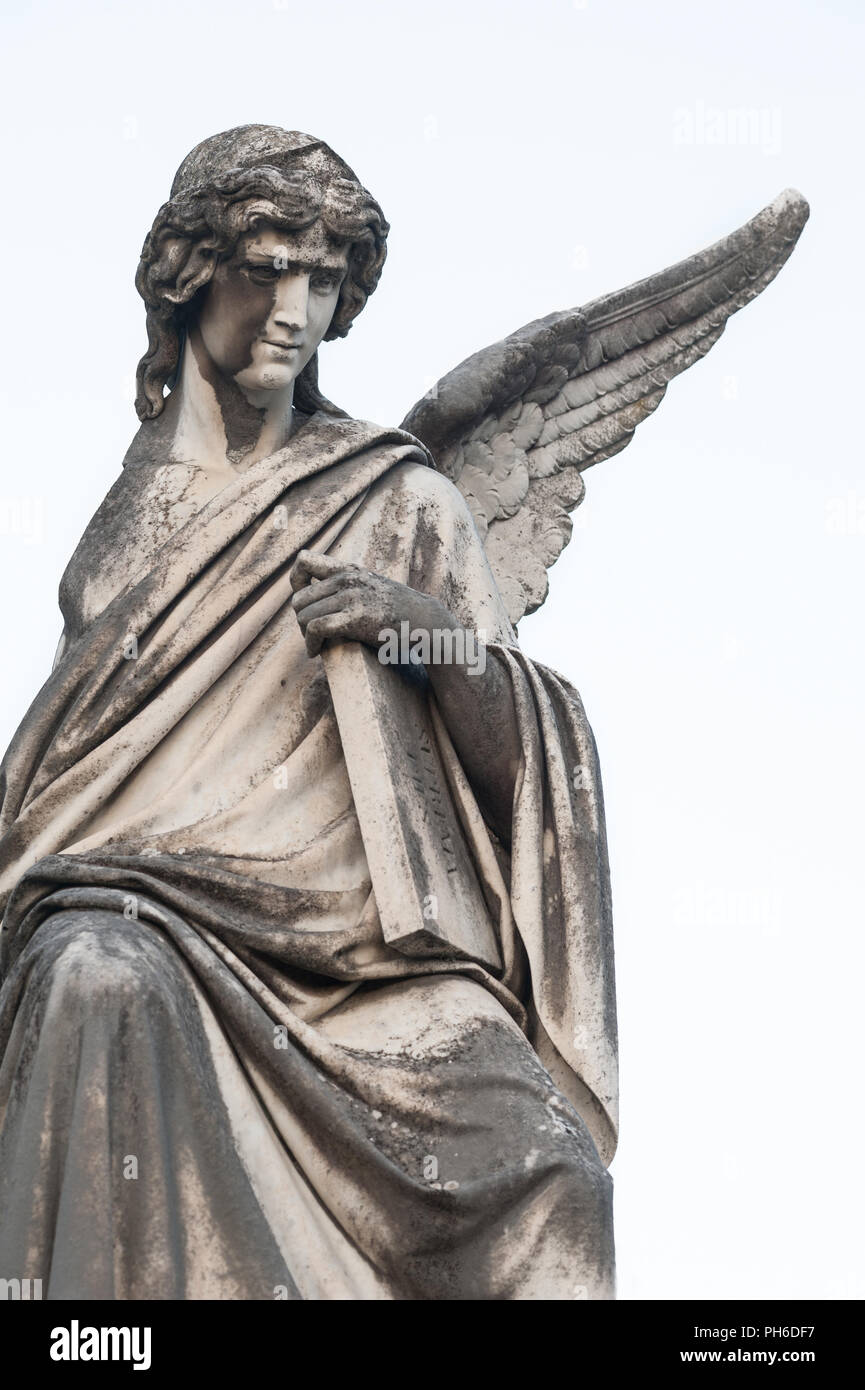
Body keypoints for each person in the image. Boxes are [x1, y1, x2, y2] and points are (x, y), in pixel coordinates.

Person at [0, 126, 617, 1300]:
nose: (295, 311)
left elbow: (523, 766)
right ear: (192, 275)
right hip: (149, 915)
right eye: (268, 269)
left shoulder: (400, 497)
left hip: (370, 965)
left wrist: (421, 634)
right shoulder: (125, 531)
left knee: (552, 1168)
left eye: (323, 282)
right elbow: (64, 790)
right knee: (92, 972)